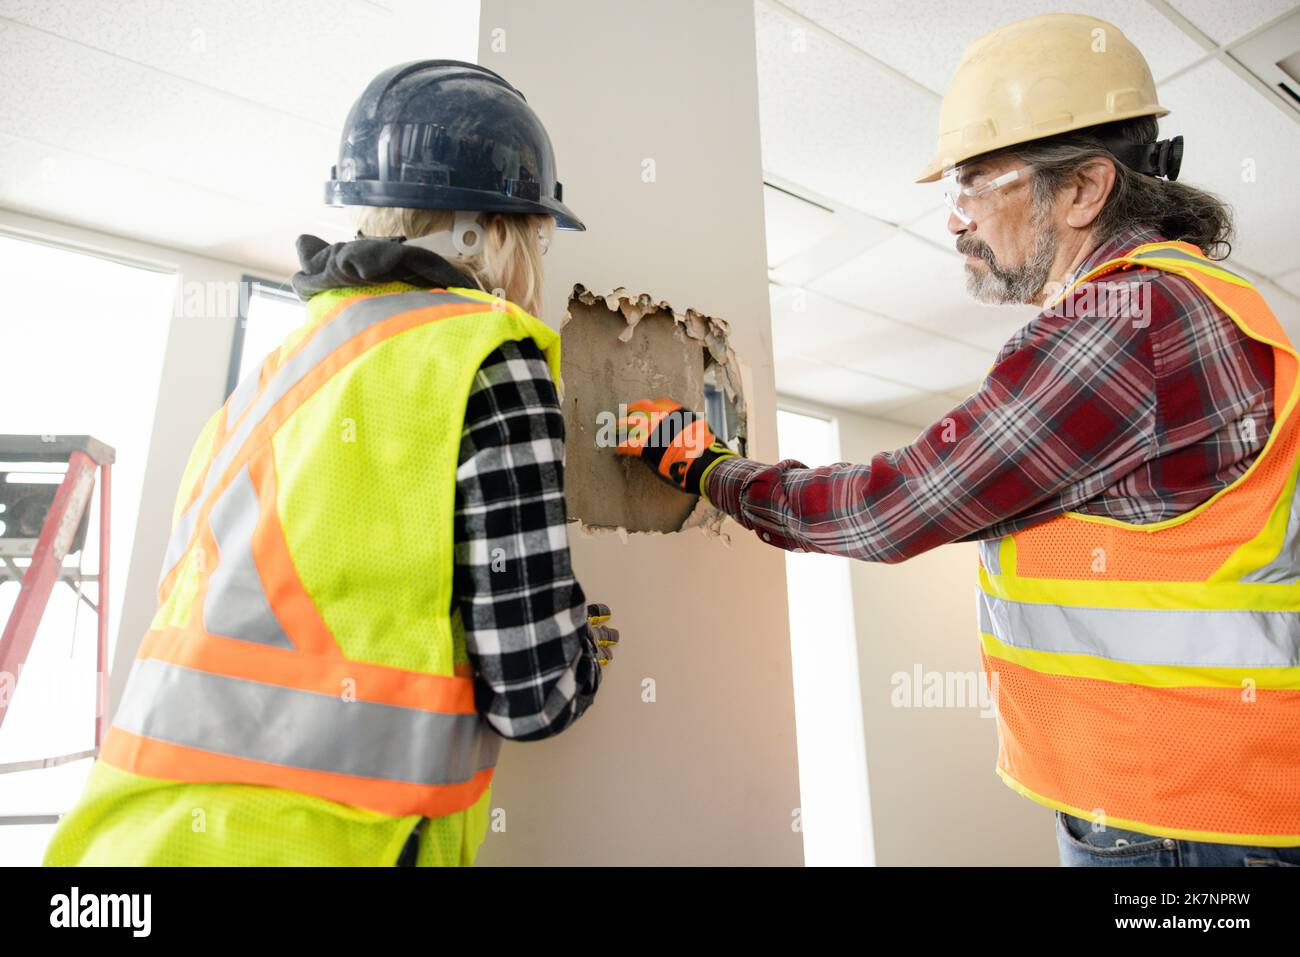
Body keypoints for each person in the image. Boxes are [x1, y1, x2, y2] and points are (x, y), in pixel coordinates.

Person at [618, 14, 1300, 867]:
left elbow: (891, 508)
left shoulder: (1129, 320)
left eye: (975, 184)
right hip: (1216, 809)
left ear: (1085, 189)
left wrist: (710, 467)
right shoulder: (1204, 304)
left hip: (1186, 824)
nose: (955, 220)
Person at [45, 59, 616, 867]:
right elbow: (536, 692)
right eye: (537, 234)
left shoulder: (280, 370)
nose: (538, 262)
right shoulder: (487, 355)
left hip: (124, 855)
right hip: (334, 847)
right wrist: (587, 643)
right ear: (480, 233)